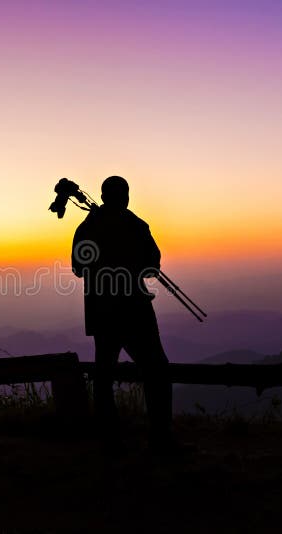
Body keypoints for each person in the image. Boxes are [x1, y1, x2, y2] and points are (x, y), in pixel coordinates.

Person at [71, 176, 173, 452]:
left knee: (103, 376)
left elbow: (79, 268)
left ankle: (110, 441)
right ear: (126, 197)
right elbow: (152, 266)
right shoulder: (137, 226)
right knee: (157, 370)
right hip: (136, 310)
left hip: (102, 312)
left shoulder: (89, 226)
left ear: (104, 197)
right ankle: (160, 439)